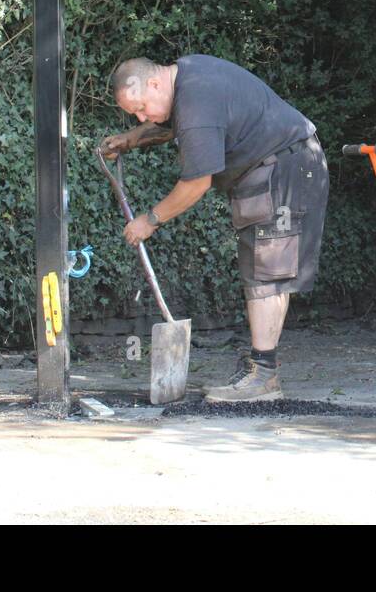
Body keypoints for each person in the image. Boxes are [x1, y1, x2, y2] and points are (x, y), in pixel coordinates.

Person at [99, 55, 329, 402]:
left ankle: (263, 378)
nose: (142, 117)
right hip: (281, 163)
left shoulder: (195, 102)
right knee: (261, 268)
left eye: (142, 108)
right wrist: (131, 139)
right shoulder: (189, 77)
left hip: (286, 170)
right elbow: (173, 123)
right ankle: (259, 368)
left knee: (268, 272)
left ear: (156, 83)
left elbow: (195, 184)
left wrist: (149, 220)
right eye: (136, 115)